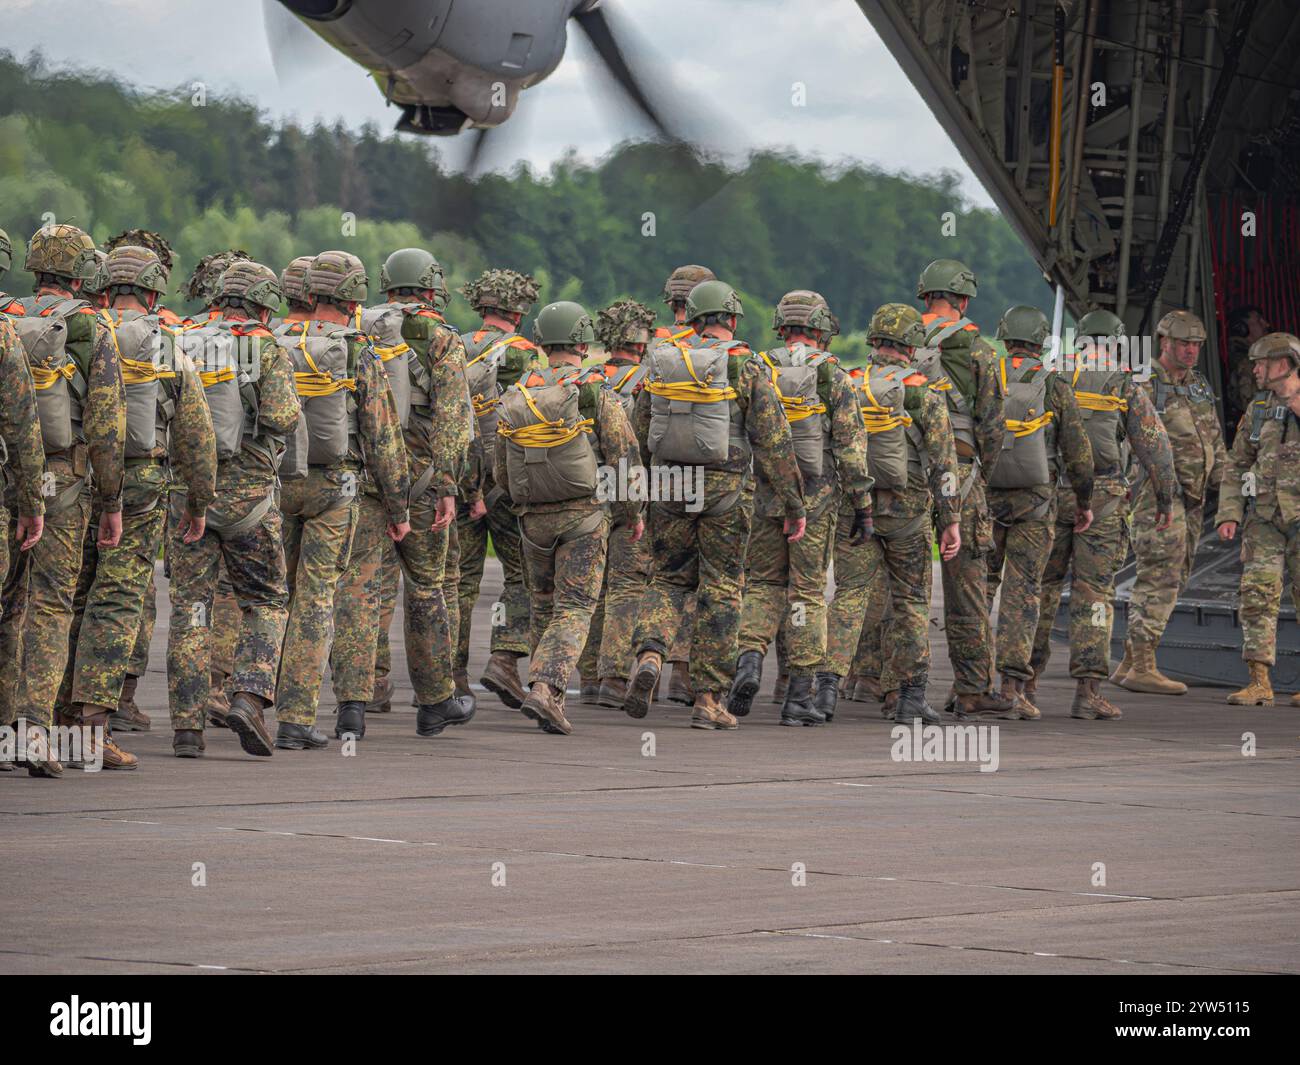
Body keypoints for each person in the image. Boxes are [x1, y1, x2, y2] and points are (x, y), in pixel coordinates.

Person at [59, 244, 217, 769]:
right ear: (152, 291)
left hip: (79, 480)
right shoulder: (163, 342)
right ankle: (92, 728)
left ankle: (51, 721)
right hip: (142, 486)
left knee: (71, 598)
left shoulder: (80, 332)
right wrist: (198, 500)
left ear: (101, 287)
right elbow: (195, 433)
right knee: (117, 600)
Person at [625, 279, 806, 730]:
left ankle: (650, 654)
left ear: (691, 316)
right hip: (725, 493)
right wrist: (792, 503)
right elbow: (774, 440)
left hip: (669, 487)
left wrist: (641, 493)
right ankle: (707, 699)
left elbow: (639, 429)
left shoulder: (664, 361)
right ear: (732, 318)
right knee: (722, 589)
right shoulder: (745, 364)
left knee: (668, 580)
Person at [0, 224, 125, 777]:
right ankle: (32, 730)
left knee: (8, 604)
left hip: (8, 473)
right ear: (82, 271)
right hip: (64, 482)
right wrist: (113, 499)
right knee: (50, 603)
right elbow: (105, 424)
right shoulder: (90, 326)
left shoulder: (8, 316)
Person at [276, 250, 410, 750]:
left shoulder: (272, 343)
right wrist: (397, 508)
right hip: (337, 487)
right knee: (344, 595)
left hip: (278, 483)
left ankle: (263, 700)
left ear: (308, 295)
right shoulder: (359, 350)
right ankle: (345, 710)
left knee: (279, 596)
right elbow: (383, 437)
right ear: (355, 300)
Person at [166, 261, 298, 758]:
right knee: (265, 601)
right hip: (249, 502)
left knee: (190, 608)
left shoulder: (180, 338)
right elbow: (283, 416)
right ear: (264, 302)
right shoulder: (265, 344)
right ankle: (247, 695)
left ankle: (186, 727)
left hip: (186, 497)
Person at [495, 300, 642, 735]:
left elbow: (501, 468)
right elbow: (624, 455)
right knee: (575, 606)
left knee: (543, 602)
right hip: (583, 516)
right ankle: (546, 687)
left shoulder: (519, 390)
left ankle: (548, 694)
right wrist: (632, 512)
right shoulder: (593, 389)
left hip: (531, 520)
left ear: (541, 341)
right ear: (583, 341)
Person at [729, 290, 871, 726]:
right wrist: (862, 505)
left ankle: (749, 661)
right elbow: (850, 447)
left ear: (780, 325)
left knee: (762, 585)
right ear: (822, 329)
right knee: (807, 593)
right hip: (817, 498)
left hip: (765, 494)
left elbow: (736, 430)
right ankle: (797, 697)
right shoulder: (834, 376)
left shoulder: (757, 366)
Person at [1029, 309, 1175, 719]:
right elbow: (1155, 448)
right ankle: (1088, 691)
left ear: (1080, 342)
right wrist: (1165, 500)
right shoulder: (1123, 385)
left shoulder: (1054, 380)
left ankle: (1024, 684)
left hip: (1051, 496)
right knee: (1093, 594)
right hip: (1104, 500)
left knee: (1040, 588)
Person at [819, 303, 961, 724]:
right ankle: (909, 697)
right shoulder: (925, 393)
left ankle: (826, 691)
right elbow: (944, 463)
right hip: (909, 514)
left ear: (874, 340)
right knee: (912, 601)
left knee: (848, 597)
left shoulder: (848, 384)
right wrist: (949, 520)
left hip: (855, 510)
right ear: (912, 345)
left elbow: (831, 447)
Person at [982, 304, 1095, 719]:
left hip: (986, 499)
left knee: (979, 588)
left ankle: (973, 685)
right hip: (1037, 502)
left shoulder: (985, 376)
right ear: (1042, 341)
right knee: (1023, 590)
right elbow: (1079, 455)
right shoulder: (1054, 384)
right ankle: (1013, 687)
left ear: (1004, 336)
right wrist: (1083, 501)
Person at [1117, 310, 1227, 696]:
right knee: (1160, 574)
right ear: (1165, 342)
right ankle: (1144, 665)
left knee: (1176, 573)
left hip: (1194, 497)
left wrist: (1227, 492)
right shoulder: (1144, 383)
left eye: (1196, 345)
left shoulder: (1196, 385)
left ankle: (1131, 659)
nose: (1192, 350)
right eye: (1184, 344)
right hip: (1159, 495)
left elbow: (1213, 441)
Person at [457, 269, 543, 708]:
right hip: (508, 483)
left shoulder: (455, 346)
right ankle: (505, 660)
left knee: (458, 582)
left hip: (456, 480)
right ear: (518, 310)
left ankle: (447, 677)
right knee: (521, 577)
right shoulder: (528, 355)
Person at [1215, 332, 1300, 708]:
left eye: (1262, 363)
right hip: (1264, 518)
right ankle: (1259, 682)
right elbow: (1237, 463)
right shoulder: (1259, 407)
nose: (1255, 370)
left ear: (1284, 364)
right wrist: (1229, 513)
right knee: (1256, 595)